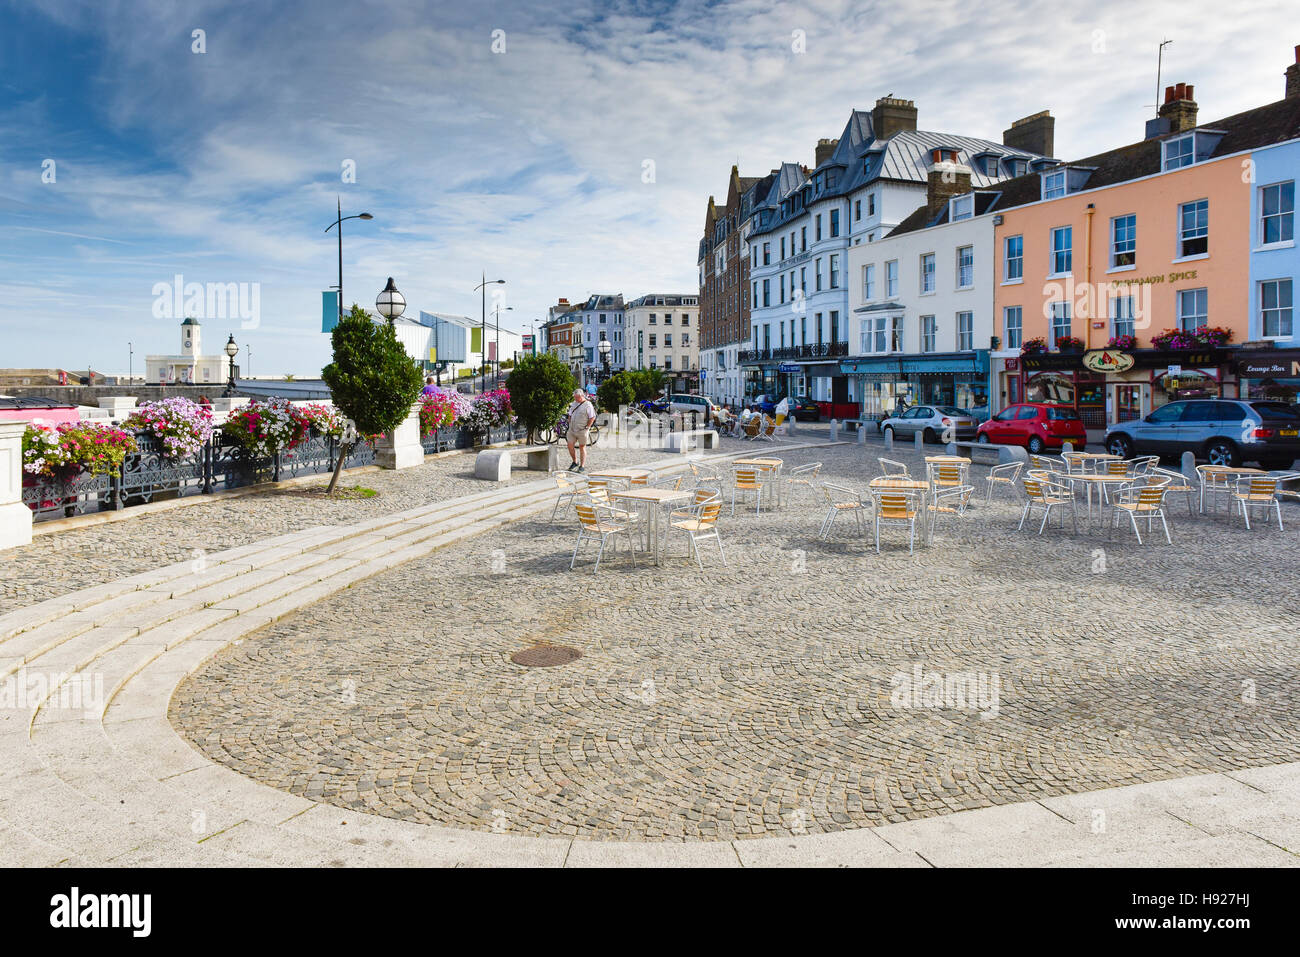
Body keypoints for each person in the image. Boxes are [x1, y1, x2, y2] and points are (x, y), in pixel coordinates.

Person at [565, 388, 596, 472]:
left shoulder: (588, 405)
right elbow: (570, 414)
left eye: (577, 397)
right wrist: (569, 421)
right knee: (569, 445)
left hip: (582, 429)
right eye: (574, 397)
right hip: (572, 429)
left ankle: (582, 466)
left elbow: (592, 417)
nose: (575, 399)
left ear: (582, 396)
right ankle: (575, 461)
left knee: (582, 447)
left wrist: (587, 427)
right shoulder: (574, 404)